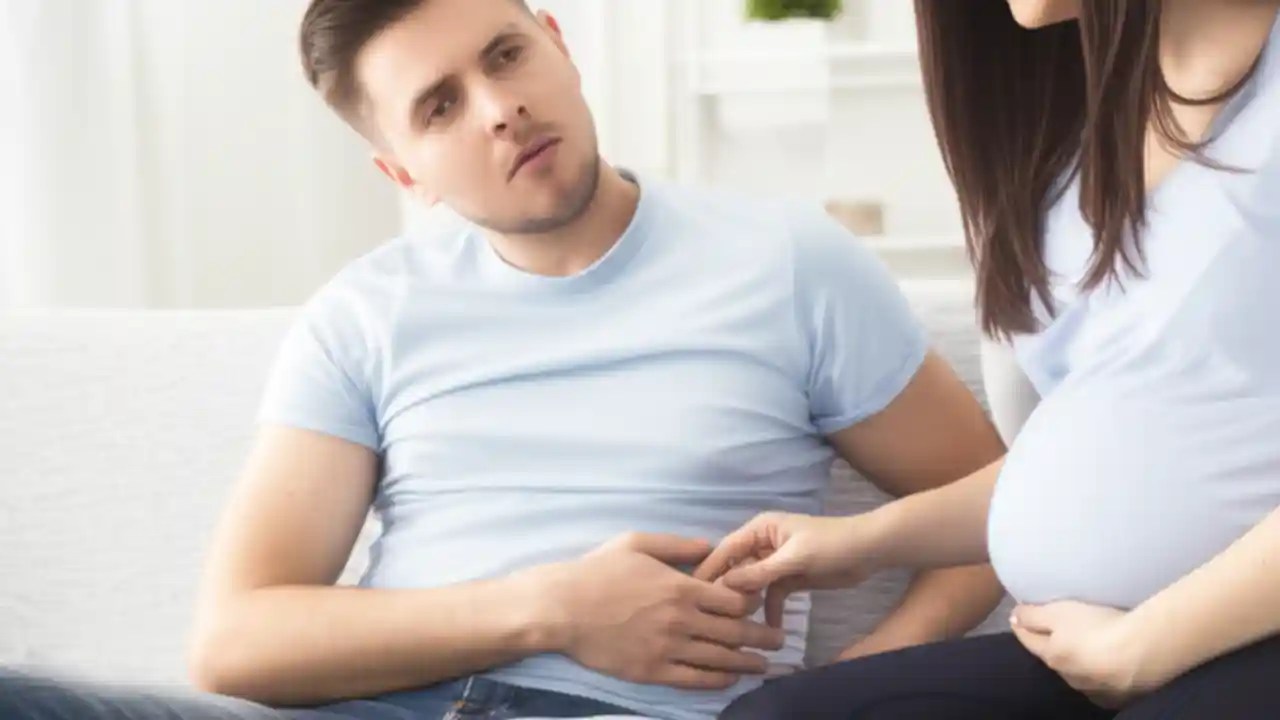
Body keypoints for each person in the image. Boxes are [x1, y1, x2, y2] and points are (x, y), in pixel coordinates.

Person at [0, 0, 1008, 718]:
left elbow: (994, 510)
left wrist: (838, 690)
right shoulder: (363, 315)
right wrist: (550, 608)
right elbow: (235, 642)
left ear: (559, 48)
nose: (496, 108)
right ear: (403, 171)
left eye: (505, 55)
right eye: (439, 106)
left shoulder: (784, 263)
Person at [706, 0, 1280, 718]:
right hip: (1091, 650)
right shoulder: (1084, 145)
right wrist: (865, 543)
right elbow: (1116, 447)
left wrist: (1144, 649)